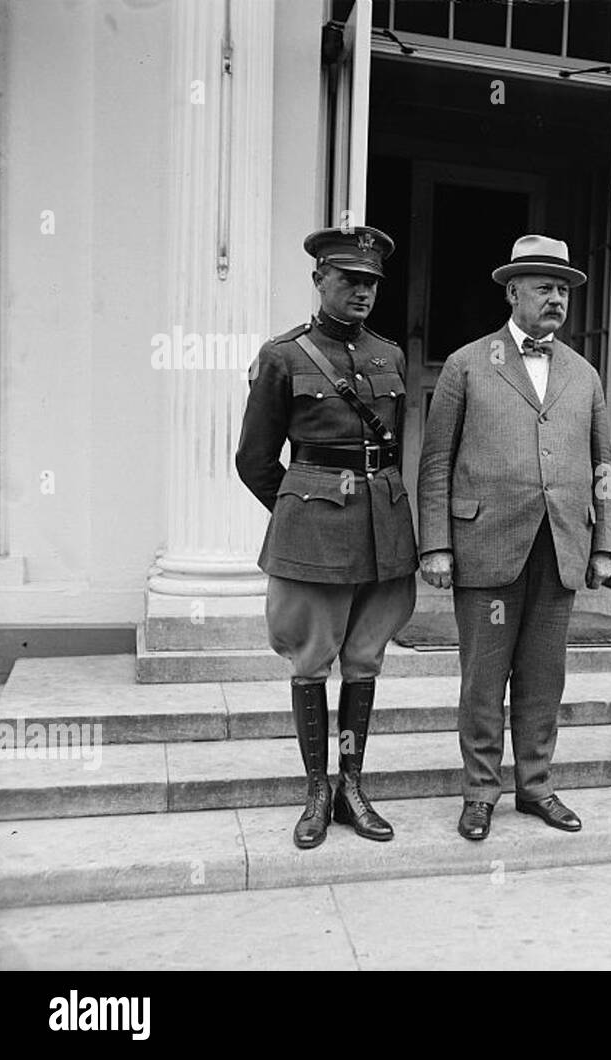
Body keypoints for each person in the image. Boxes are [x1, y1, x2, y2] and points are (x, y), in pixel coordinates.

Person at [417, 234, 611, 841]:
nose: (557, 299)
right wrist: (435, 543)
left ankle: (536, 787)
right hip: (486, 546)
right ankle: (480, 791)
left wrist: (605, 544)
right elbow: (435, 463)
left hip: (559, 547)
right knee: (484, 676)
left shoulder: (584, 374)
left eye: (563, 289)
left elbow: (604, 464)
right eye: (545, 287)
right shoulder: (467, 363)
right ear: (512, 292)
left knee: (543, 676)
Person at [236, 225, 417, 849]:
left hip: (383, 529)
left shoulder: (390, 356)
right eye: (349, 280)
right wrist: (301, 509)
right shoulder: (284, 356)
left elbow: (397, 444)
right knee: (311, 661)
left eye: (371, 282)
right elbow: (255, 460)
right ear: (319, 280)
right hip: (314, 529)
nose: (362, 291)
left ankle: (352, 785)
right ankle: (317, 790)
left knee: (365, 659)